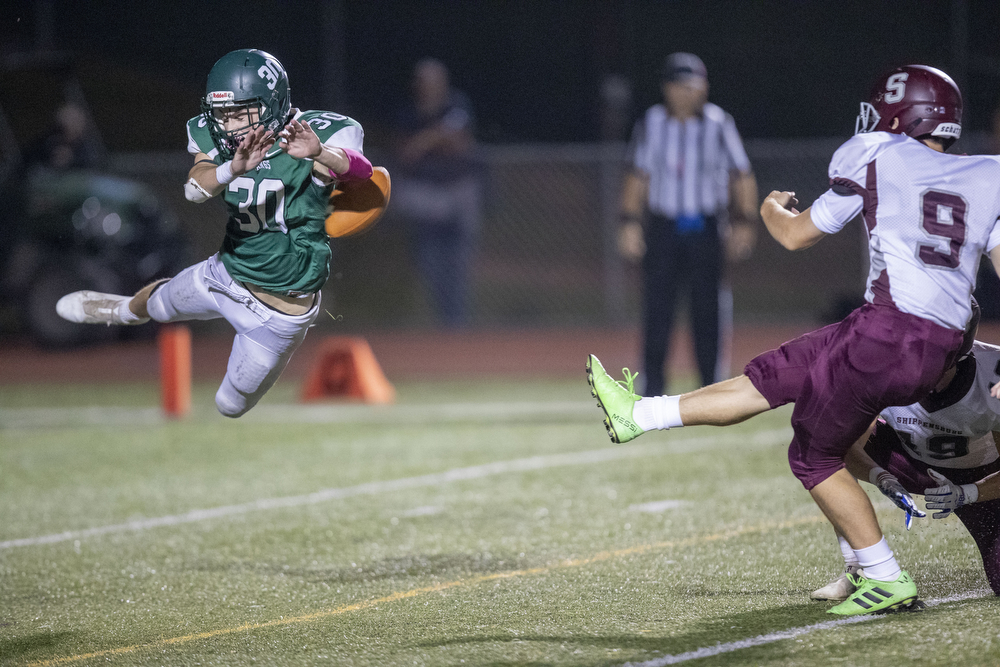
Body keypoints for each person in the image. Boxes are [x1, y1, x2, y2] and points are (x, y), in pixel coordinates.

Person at [588, 64, 1000, 615]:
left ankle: (883, 575)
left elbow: (795, 234)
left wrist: (767, 210)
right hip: (934, 341)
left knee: (812, 453)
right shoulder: (986, 175)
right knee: (780, 372)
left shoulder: (877, 153)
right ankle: (639, 413)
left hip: (888, 331)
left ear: (900, 115)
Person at [55, 49, 373, 417]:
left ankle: (146, 319)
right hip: (227, 272)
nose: (229, 125)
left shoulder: (324, 131)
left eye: (239, 113)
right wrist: (231, 170)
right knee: (158, 305)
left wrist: (321, 154)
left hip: (280, 313)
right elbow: (194, 189)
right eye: (221, 114)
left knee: (230, 405)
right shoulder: (217, 136)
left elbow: (364, 174)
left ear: (272, 104)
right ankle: (121, 310)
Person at [812, 305, 1000, 600]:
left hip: (983, 477)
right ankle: (859, 568)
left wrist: (968, 493)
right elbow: (846, 448)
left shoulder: (993, 373)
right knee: (825, 442)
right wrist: (880, 475)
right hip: (908, 462)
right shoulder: (879, 363)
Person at [619, 52, 758, 395]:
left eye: (693, 86)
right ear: (667, 88)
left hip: (706, 228)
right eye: (680, 86)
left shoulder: (718, 123)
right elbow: (638, 175)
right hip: (664, 227)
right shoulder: (651, 122)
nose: (687, 93)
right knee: (657, 309)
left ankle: (710, 388)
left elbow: (741, 174)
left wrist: (745, 221)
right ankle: (652, 390)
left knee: (708, 310)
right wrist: (629, 222)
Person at [391, 58, 481, 327]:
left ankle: (458, 322)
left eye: (435, 82)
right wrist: (436, 137)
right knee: (429, 261)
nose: (431, 87)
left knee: (460, 262)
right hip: (424, 195)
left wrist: (426, 140)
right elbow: (405, 153)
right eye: (425, 82)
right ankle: (438, 323)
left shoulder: (457, 104)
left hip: (458, 191)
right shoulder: (409, 113)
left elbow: (460, 144)